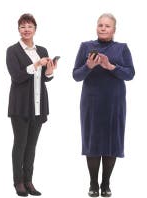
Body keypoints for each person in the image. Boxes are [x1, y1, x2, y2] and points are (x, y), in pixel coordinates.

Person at [72, 13, 134, 198]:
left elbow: (130, 74)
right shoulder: (86, 47)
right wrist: (88, 66)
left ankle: (106, 183)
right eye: (100, 25)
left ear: (114, 29)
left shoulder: (121, 48)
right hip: (91, 101)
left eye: (107, 26)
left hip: (114, 102)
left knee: (111, 140)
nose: (103, 28)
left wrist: (111, 67)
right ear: (96, 27)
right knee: (92, 141)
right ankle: (93, 183)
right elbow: (76, 75)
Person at [5, 13, 56, 197]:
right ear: (18, 29)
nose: (26, 29)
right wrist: (35, 65)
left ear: (35, 29)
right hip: (20, 106)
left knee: (32, 146)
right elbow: (17, 77)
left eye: (29, 26)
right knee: (20, 144)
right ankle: (18, 182)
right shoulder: (12, 50)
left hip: (38, 104)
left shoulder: (42, 50)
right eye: (23, 26)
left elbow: (44, 79)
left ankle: (29, 180)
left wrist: (49, 71)